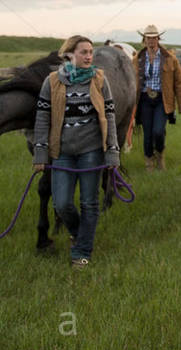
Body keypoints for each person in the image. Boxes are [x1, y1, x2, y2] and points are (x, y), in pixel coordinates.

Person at [31, 35, 120, 268]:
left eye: (91, 52)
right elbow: (42, 118)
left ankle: (81, 253)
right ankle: (81, 234)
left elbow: (109, 116)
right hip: (62, 152)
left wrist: (112, 151)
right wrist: (40, 154)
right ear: (70, 54)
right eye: (84, 52)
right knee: (61, 204)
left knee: (89, 202)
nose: (89, 56)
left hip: (91, 150)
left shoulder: (100, 80)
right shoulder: (52, 82)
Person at [133, 24, 181, 171]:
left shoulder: (169, 58)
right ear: (144, 39)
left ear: (158, 39)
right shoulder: (137, 58)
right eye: (148, 38)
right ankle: (149, 161)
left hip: (162, 99)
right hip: (144, 99)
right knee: (147, 133)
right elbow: (132, 80)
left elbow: (179, 82)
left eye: (154, 38)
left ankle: (160, 154)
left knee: (158, 131)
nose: (151, 41)